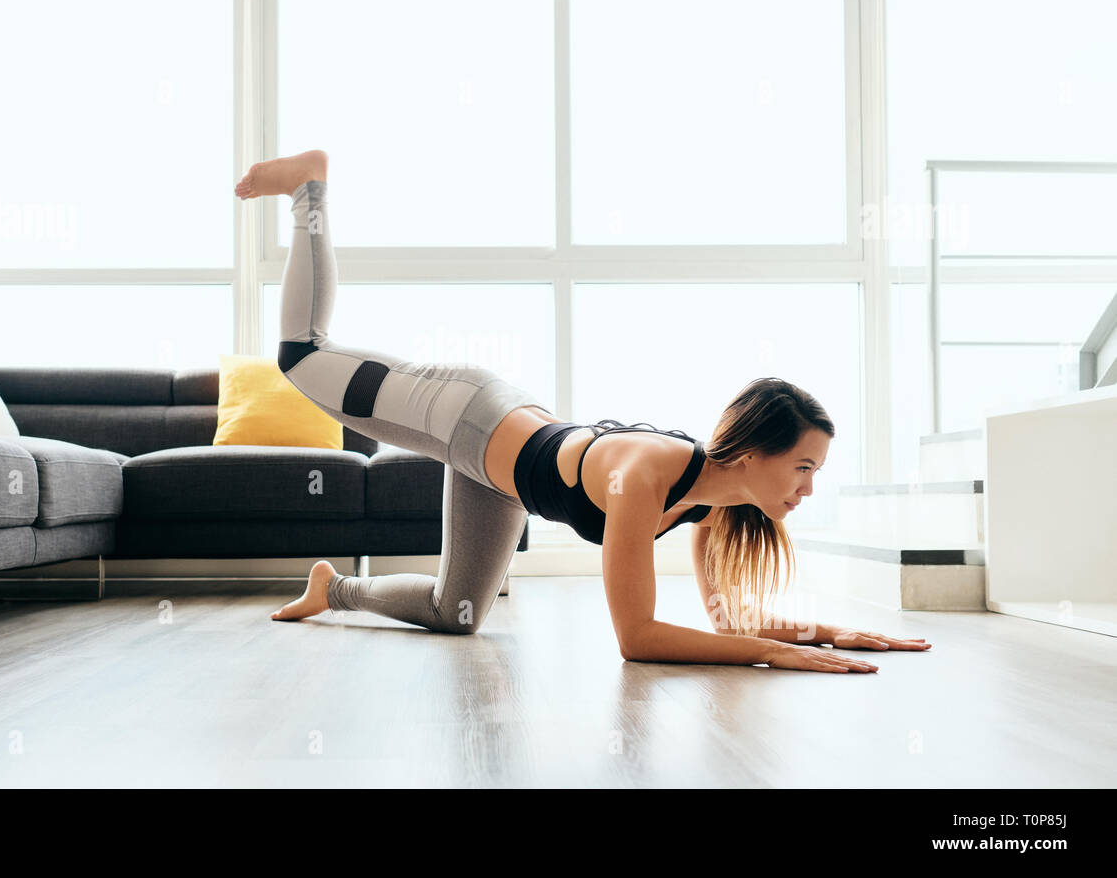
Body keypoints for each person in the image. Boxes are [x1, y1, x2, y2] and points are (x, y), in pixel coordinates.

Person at [235, 150, 931, 672]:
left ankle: (333, 591)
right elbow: (637, 639)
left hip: (496, 470)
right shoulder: (649, 475)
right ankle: (309, 187)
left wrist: (825, 634)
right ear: (753, 456)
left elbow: (728, 622)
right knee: (300, 355)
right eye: (804, 467)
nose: (810, 487)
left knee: (458, 614)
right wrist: (772, 658)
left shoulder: (710, 504)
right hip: (466, 412)